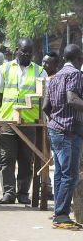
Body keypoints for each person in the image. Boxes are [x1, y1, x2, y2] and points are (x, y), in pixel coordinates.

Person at [0, 38, 46, 204]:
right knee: (6, 158)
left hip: (29, 124)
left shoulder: (39, 71)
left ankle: (23, 193)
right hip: (7, 122)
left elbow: (44, 99)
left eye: (29, 52)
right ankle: (9, 193)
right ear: (17, 50)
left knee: (26, 159)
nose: (27, 54)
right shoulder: (5, 68)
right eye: (24, 51)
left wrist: (43, 121)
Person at [43, 44, 83, 229]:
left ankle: (59, 212)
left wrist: (56, 121)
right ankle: (61, 215)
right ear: (78, 58)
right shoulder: (75, 74)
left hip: (56, 131)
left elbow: (46, 107)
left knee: (60, 174)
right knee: (70, 176)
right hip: (69, 132)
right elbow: (72, 99)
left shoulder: (55, 76)